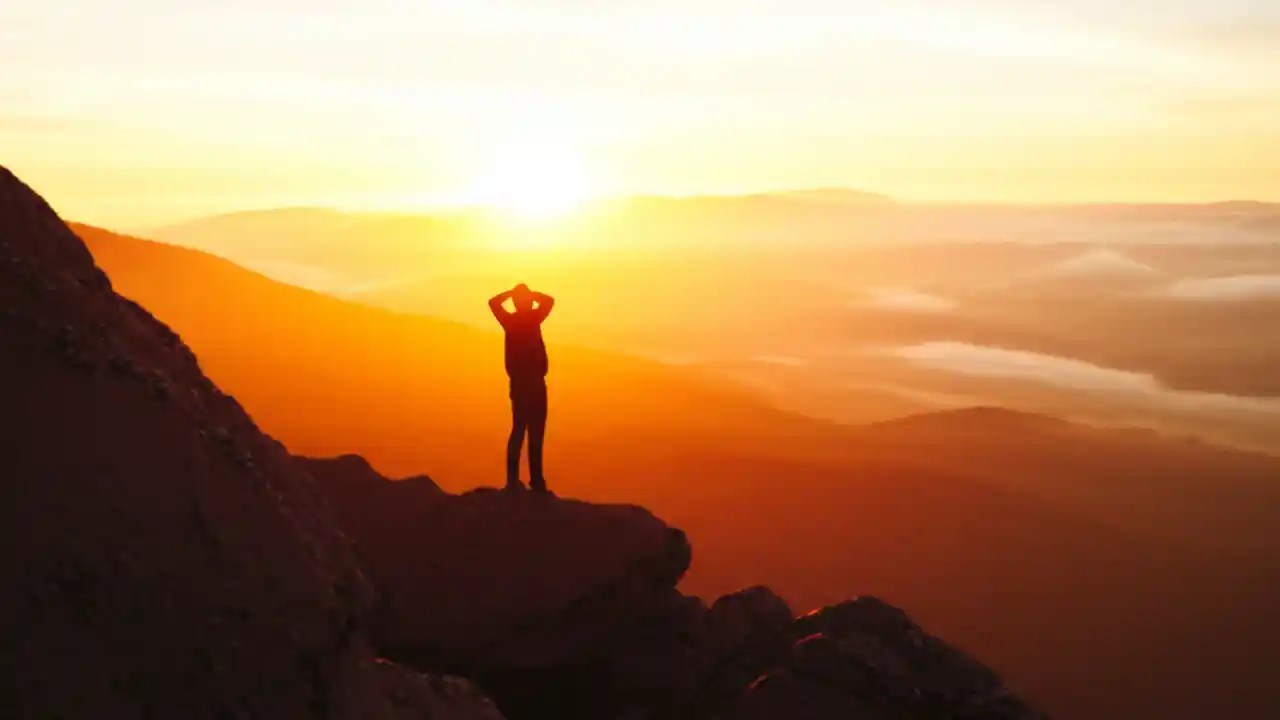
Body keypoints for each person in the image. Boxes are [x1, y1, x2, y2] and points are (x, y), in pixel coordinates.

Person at [488, 283, 555, 492]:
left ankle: (513, 480)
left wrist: (512, 294)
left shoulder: (510, 321)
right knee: (535, 433)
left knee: (519, 430)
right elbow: (549, 300)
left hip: (520, 385)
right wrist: (531, 295)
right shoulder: (533, 318)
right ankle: (536, 481)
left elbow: (493, 302)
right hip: (534, 385)